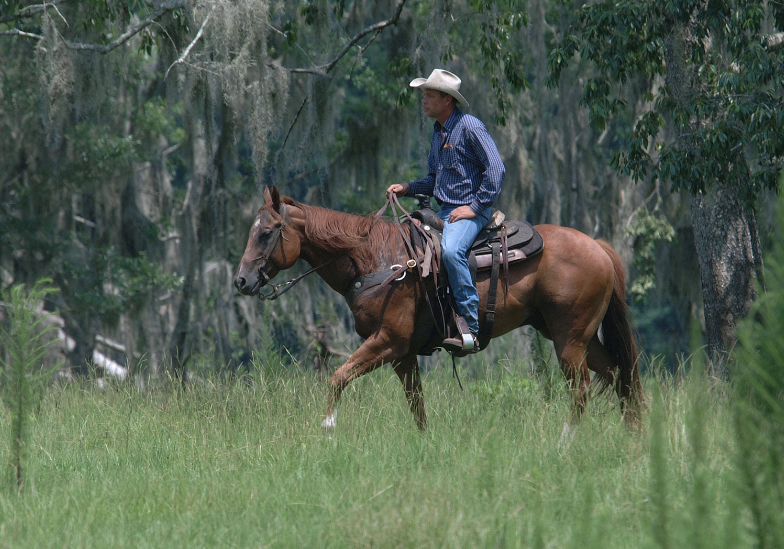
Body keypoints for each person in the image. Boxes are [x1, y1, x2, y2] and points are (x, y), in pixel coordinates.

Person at [387, 69, 505, 351]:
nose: (423, 100)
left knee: (451, 251)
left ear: (446, 100)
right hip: (444, 212)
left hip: (470, 211)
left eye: (429, 95)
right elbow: (433, 181)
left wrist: (474, 208)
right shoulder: (438, 132)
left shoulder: (470, 127)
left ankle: (471, 329)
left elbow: (497, 169)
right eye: (424, 95)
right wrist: (407, 187)